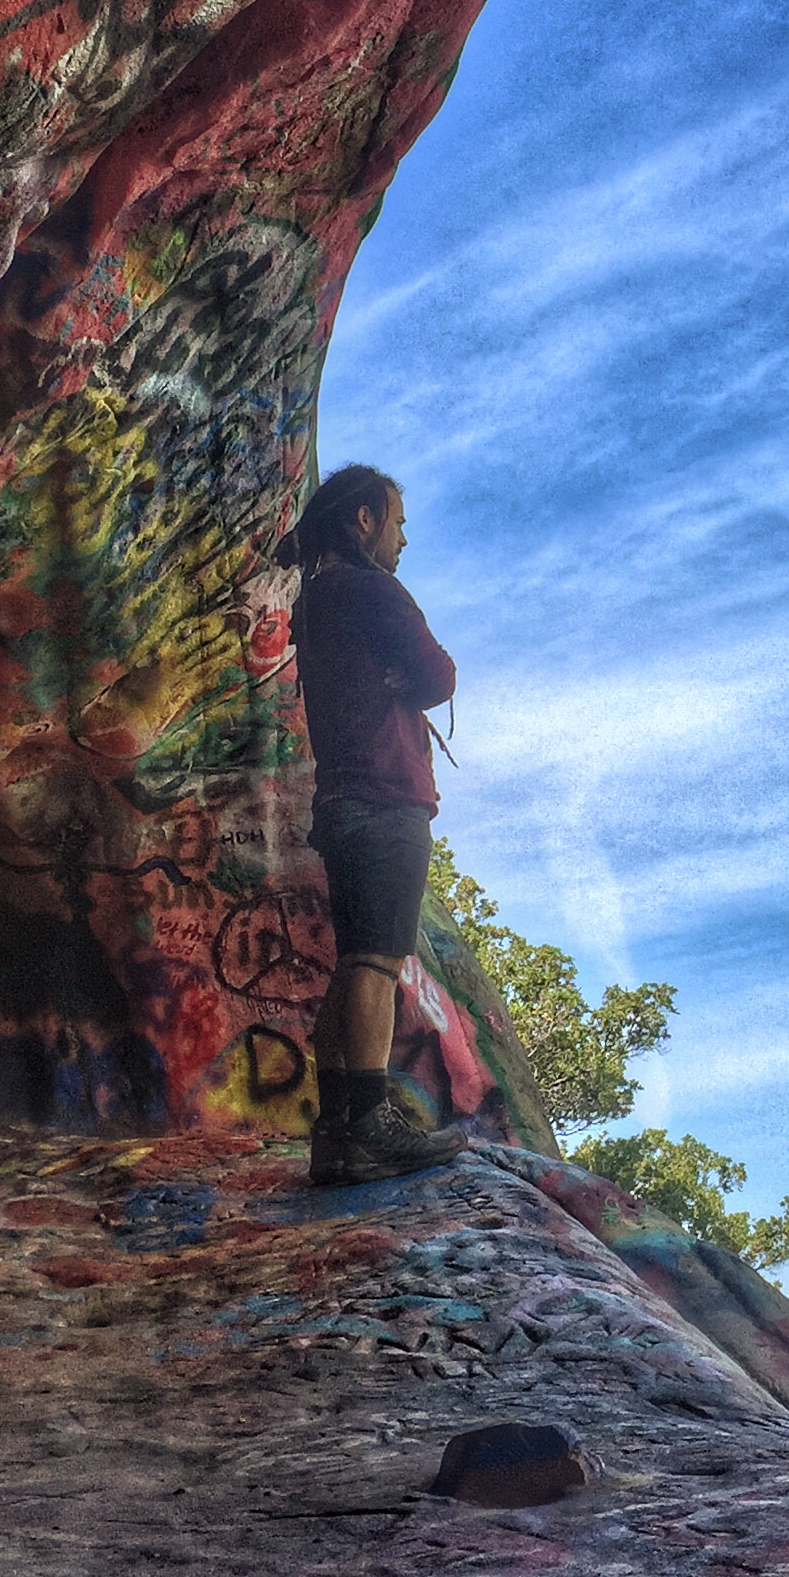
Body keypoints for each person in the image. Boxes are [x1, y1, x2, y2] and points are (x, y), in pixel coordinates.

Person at [286, 463, 472, 1187]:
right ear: (363, 519)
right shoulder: (369, 588)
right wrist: (406, 680)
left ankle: (337, 1129)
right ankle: (366, 1126)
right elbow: (439, 673)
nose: (404, 537)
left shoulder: (316, 600)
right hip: (384, 797)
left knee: (354, 961)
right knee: (375, 961)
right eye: (396, 520)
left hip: (339, 801)